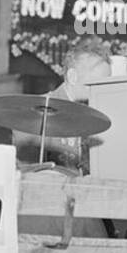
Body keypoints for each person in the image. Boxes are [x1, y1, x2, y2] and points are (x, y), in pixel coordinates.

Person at [12, 36, 112, 172]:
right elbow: (26, 172)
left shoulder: (94, 114)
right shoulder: (34, 112)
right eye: (99, 82)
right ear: (72, 77)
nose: (104, 89)